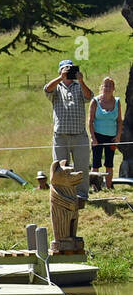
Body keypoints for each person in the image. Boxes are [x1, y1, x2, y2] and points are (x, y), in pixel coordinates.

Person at [44, 60, 94, 199]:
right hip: (61, 135)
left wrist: (81, 80)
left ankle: (82, 195)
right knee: (60, 168)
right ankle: (61, 195)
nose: (68, 72)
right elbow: (46, 89)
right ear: (60, 71)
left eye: (70, 69)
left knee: (82, 167)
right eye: (65, 69)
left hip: (79, 134)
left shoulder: (79, 86)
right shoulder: (56, 87)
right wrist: (61, 78)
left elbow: (89, 96)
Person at [89, 76, 120, 193]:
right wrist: (93, 137)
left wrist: (117, 136)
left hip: (111, 137)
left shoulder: (117, 101)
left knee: (109, 163)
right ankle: (95, 188)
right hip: (97, 136)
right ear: (102, 87)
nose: (108, 88)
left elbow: (119, 121)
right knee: (96, 163)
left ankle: (108, 187)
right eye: (106, 85)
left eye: (110, 86)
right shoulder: (95, 101)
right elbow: (90, 121)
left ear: (113, 88)